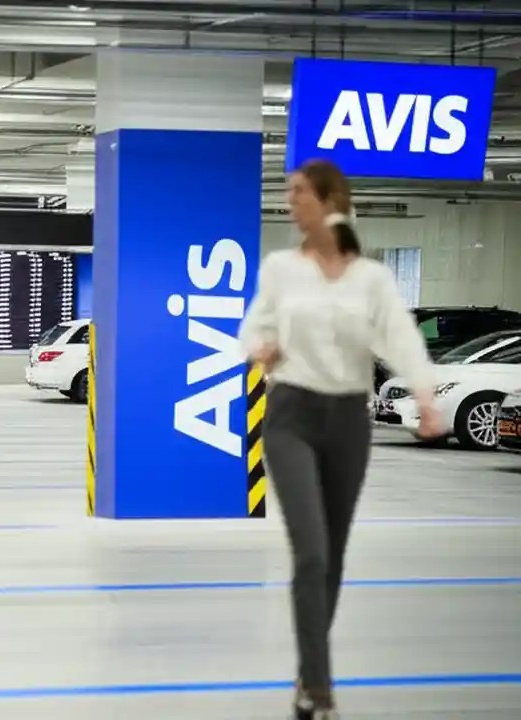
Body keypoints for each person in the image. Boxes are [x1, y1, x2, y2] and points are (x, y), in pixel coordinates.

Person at [237, 159, 442, 720]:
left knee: (333, 559)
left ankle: (308, 672)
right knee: (311, 552)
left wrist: (424, 397)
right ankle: (319, 689)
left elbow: (399, 338)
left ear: (328, 199)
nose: (289, 203)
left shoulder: (370, 278)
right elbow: (253, 326)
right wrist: (261, 347)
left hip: (349, 420)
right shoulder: (281, 268)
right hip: (291, 416)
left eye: (298, 193)